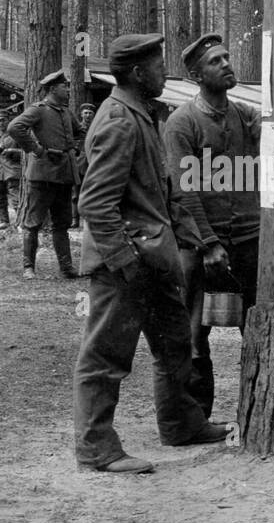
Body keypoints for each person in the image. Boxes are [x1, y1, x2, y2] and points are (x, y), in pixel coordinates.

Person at [74, 33, 229, 474]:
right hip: (126, 262)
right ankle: (96, 448)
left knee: (176, 343)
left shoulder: (143, 115)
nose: (165, 73)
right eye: (159, 67)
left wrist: (196, 239)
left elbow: (159, 193)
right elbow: (96, 203)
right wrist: (124, 262)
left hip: (155, 258)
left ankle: (181, 424)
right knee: (105, 356)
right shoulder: (119, 121)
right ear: (139, 74)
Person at [162, 33, 260, 417]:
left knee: (254, 327)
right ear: (197, 75)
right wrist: (208, 243)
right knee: (194, 333)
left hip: (249, 240)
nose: (226, 65)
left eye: (226, 57)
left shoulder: (244, 115)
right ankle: (194, 416)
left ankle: (255, 411)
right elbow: (185, 193)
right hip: (201, 245)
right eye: (215, 62)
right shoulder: (181, 123)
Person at [7, 71, 83, 280]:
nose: (68, 89)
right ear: (52, 89)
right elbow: (15, 127)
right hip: (42, 176)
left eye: (68, 86)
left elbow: (79, 133)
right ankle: (28, 267)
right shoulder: (39, 110)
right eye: (64, 86)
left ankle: (66, 268)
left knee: (62, 224)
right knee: (33, 223)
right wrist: (37, 150)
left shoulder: (66, 113)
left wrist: (75, 147)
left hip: (64, 176)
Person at [0, 109, 23, 231]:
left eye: (3, 120)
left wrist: (13, 151)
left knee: (16, 198)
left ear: (9, 120)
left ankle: (20, 222)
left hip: (12, 171)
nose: (1, 123)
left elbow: (26, 153)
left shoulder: (16, 136)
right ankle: (4, 221)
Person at [71, 102, 96, 229]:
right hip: (79, 164)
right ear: (81, 114)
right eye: (85, 113)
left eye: (90, 113)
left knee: (92, 193)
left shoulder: (97, 128)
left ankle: (89, 220)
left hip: (94, 165)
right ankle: (75, 220)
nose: (88, 115)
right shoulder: (76, 129)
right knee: (75, 193)